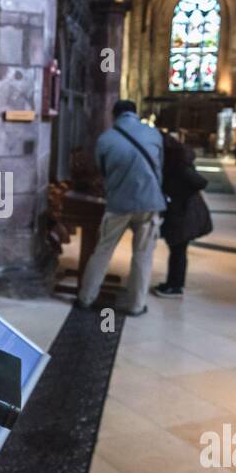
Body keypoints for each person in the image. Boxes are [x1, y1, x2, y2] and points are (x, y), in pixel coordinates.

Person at [75, 100, 166, 316]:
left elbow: (102, 170)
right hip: (149, 202)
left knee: (103, 250)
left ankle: (86, 298)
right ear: (135, 114)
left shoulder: (106, 139)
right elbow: (159, 166)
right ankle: (136, 305)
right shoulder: (153, 134)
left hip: (118, 203)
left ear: (114, 115)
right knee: (143, 255)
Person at [154, 132, 211, 298]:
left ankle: (175, 286)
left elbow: (200, 182)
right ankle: (173, 284)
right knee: (178, 249)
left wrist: (178, 196)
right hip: (183, 211)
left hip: (184, 213)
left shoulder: (178, 164)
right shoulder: (178, 161)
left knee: (178, 250)